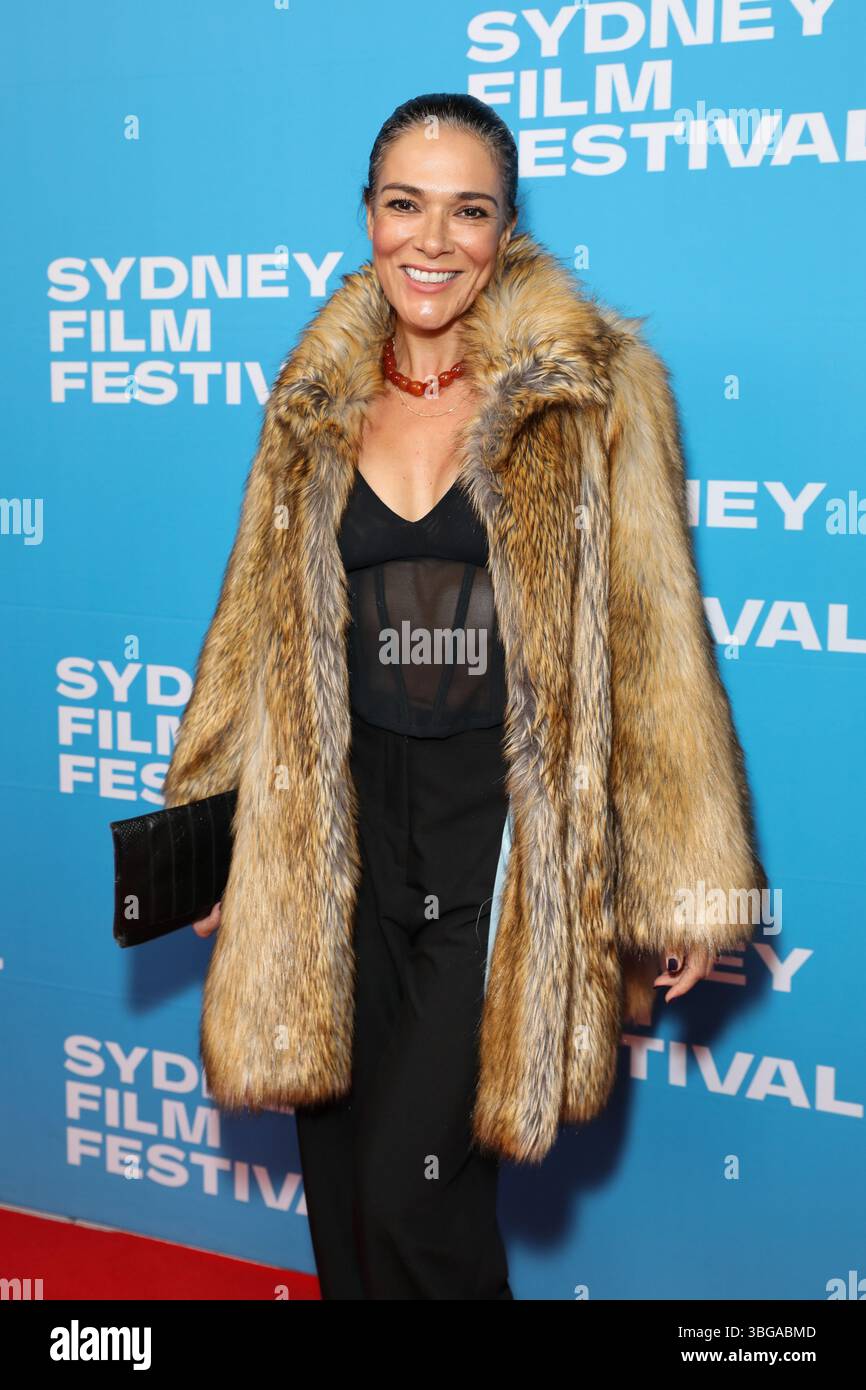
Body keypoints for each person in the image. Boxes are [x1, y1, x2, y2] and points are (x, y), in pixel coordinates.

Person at [162, 93, 766, 1300]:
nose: (430, 241)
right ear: (369, 217)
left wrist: (688, 874)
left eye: (467, 210)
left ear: (502, 230)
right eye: (404, 205)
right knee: (338, 1186)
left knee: (415, 1194)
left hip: (498, 836)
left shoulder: (590, 391)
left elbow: (654, 635)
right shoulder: (313, 396)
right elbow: (251, 624)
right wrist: (213, 836)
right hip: (331, 830)